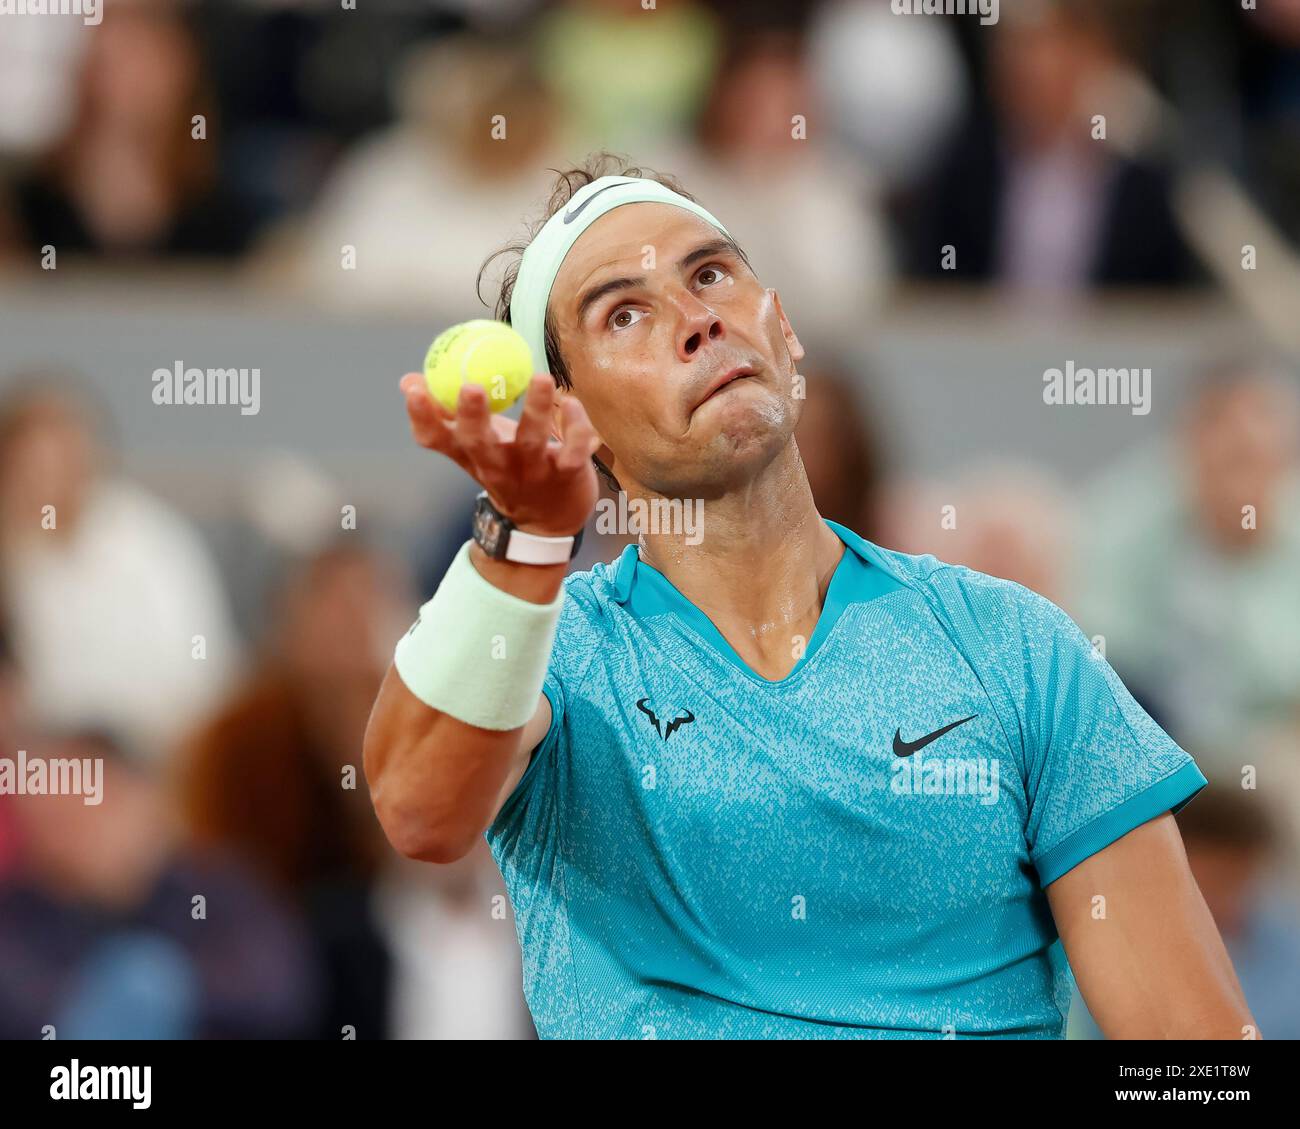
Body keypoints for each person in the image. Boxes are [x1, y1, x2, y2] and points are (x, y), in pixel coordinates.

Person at [364, 153, 1253, 1040]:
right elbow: (418, 809)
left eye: (710, 273)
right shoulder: (552, 662)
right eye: (624, 314)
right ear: (569, 419)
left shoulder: (1016, 647)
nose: (696, 319)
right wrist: (525, 538)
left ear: (783, 328)